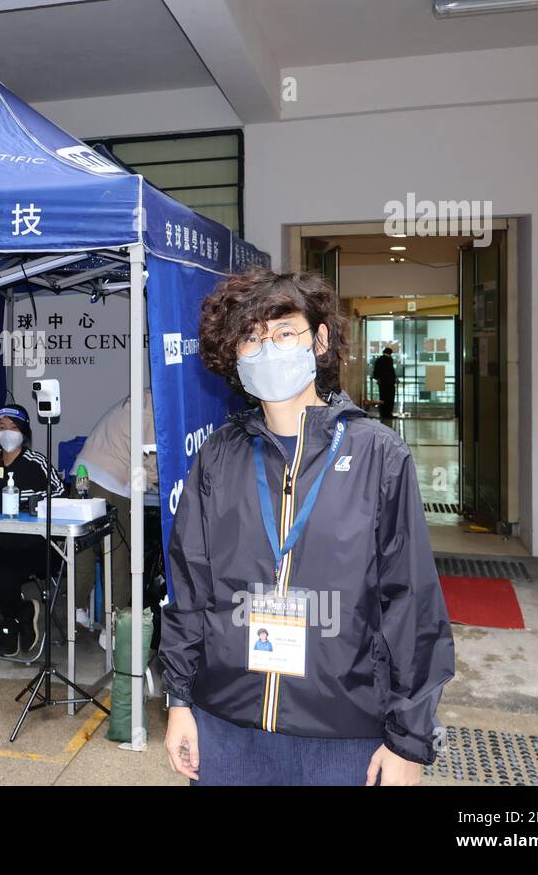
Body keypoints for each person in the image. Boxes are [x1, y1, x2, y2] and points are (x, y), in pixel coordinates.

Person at [160, 269, 454, 786]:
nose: (267, 346)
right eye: (251, 336)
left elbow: (411, 604)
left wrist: (408, 740)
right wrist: (180, 700)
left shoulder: (377, 454)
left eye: (283, 331)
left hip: (344, 736)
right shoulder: (219, 456)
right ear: (235, 355)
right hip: (227, 725)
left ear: (318, 340)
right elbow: (190, 589)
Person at [0, 404, 65, 656]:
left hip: (33, 545)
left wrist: (26, 504)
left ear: (24, 432)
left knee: (4, 578)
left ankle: (9, 624)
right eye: (1, 426)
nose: (7, 432)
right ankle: (22, 612)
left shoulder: (36, 462)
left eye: (13, 427)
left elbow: (61, 495)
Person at [72, 389, 157, 613]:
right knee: (117, 556)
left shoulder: (141, 399)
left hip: (82, 474)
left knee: (83, 548)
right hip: (110, 483)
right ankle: (112, 625)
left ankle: (76, 610)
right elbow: (152, 463)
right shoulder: (155, 411)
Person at [372, 347, 397, 421]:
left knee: (382, 398)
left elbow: (376, 372)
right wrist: (394, 379)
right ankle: (388, 414)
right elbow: (391, 372)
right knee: (390, 398)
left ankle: (382, 413)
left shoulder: (379, 360)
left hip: (382, 383)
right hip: (389, 383)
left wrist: (378, 378)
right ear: (390, 353)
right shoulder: (389, 360)